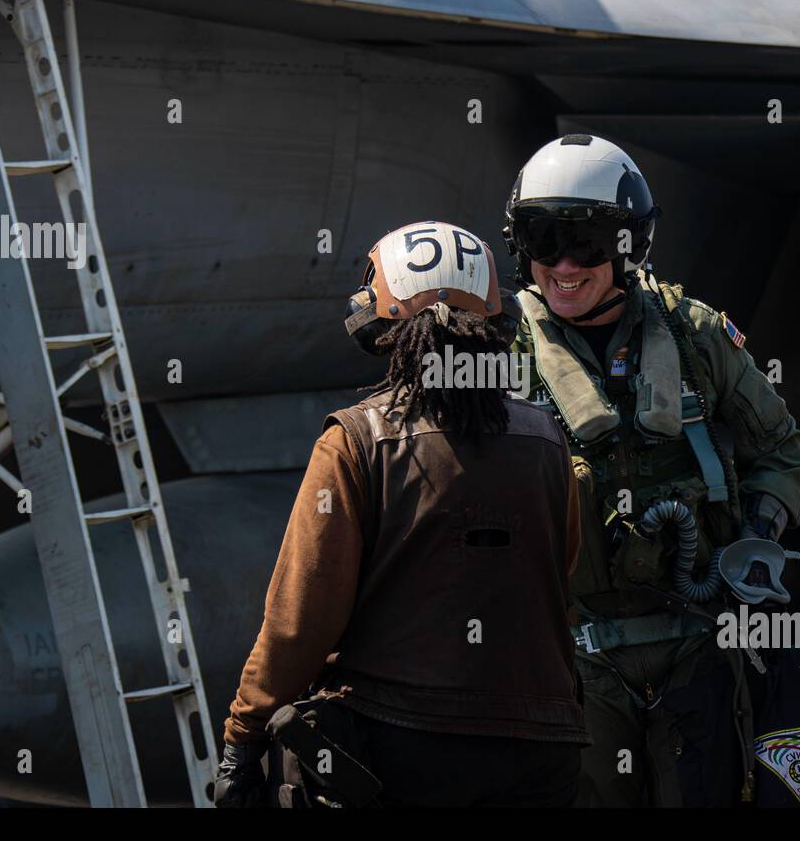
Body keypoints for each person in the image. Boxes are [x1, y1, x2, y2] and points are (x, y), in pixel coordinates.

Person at [214, 220, 588, 808]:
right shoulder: (548, 441)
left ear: (380, 323)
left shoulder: (355, 441)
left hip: (393, 753)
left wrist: (243, 738)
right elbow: (560, 574)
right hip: (541, 755)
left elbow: (300, 618)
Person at [504, 134, 800, 807]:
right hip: (573, 663)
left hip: (698, 651)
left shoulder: (694, 335)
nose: (561, 262)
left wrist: (754, 537)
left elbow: (784, 449)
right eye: (541, 236)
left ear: (628, 245)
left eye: (585, 241)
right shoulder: (502, 357)